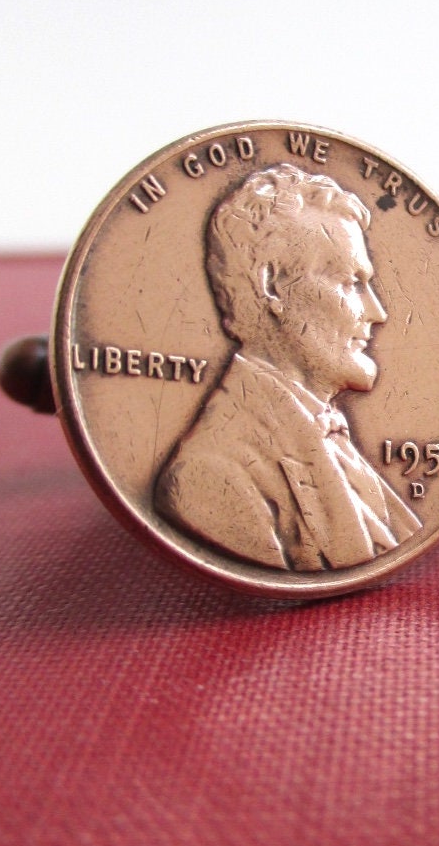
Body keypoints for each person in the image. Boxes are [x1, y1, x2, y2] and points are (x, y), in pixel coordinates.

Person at [155, 162, 421, 571]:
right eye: (351, 283)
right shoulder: (211, 476)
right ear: (272, 286)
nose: (377, 312)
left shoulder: (326, 435)